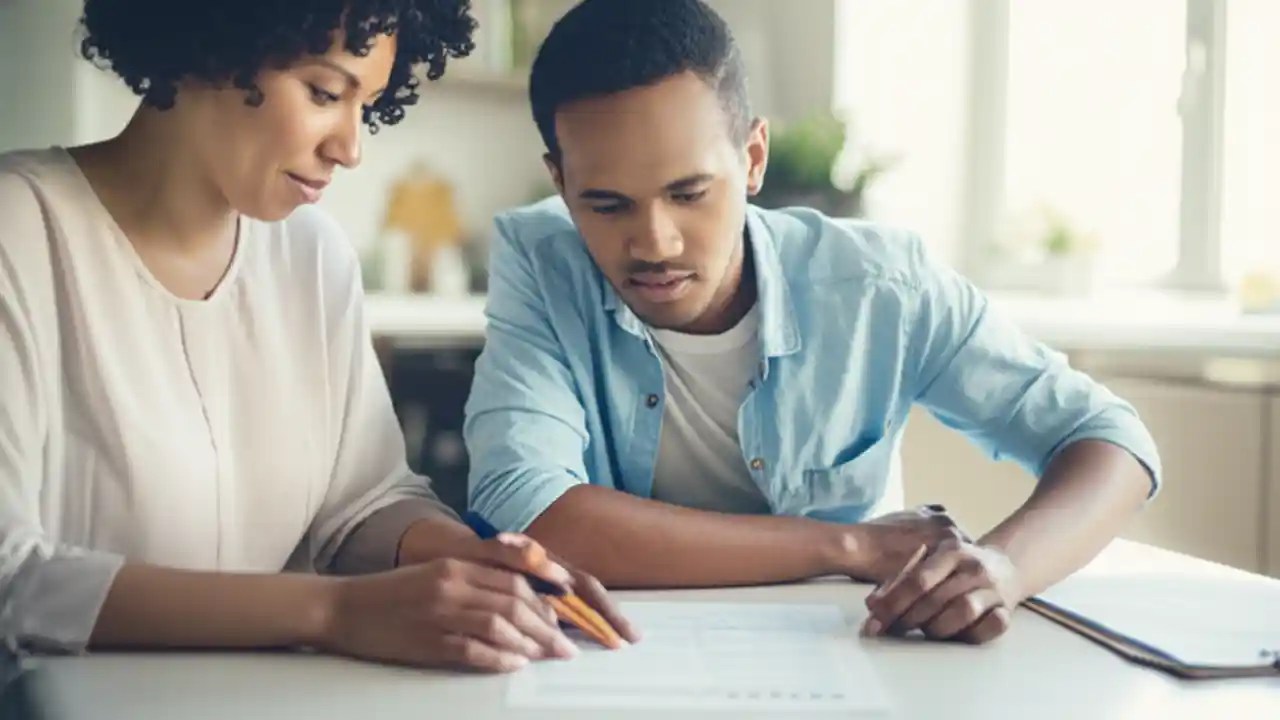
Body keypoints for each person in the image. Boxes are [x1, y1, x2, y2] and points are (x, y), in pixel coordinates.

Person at [464, 0, 1161, 645]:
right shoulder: (541, 262)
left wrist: (1006, 568)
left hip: (847, 658)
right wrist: (847, 546)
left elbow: (1107, 440)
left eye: (689, 194)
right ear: (560, 182)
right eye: (607, 205)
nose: (656, 243)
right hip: (618, 662)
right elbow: (532, 512)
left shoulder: (877, 286)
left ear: (753, 158)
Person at [0, 0, 634, 673]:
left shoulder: (312, 254)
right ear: (208, 45)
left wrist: (470, 561)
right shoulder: (20, 229)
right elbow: (13, 576)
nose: (351, 148)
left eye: (368, 105)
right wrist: (334, 612)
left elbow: (362, 503)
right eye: (325, 92)